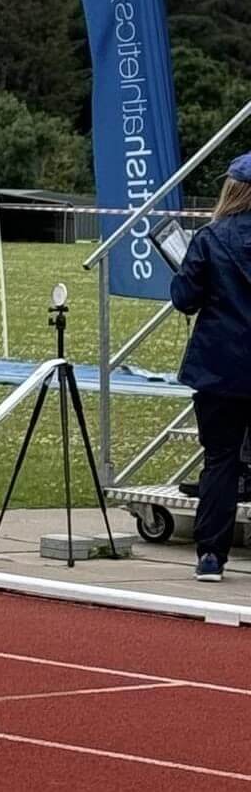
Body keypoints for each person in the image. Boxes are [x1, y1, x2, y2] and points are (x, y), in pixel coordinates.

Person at [169, 152, 251, 582]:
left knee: (220, 460)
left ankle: (211, 556)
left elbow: (185, 298)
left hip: (220, 368)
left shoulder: (210, 238)